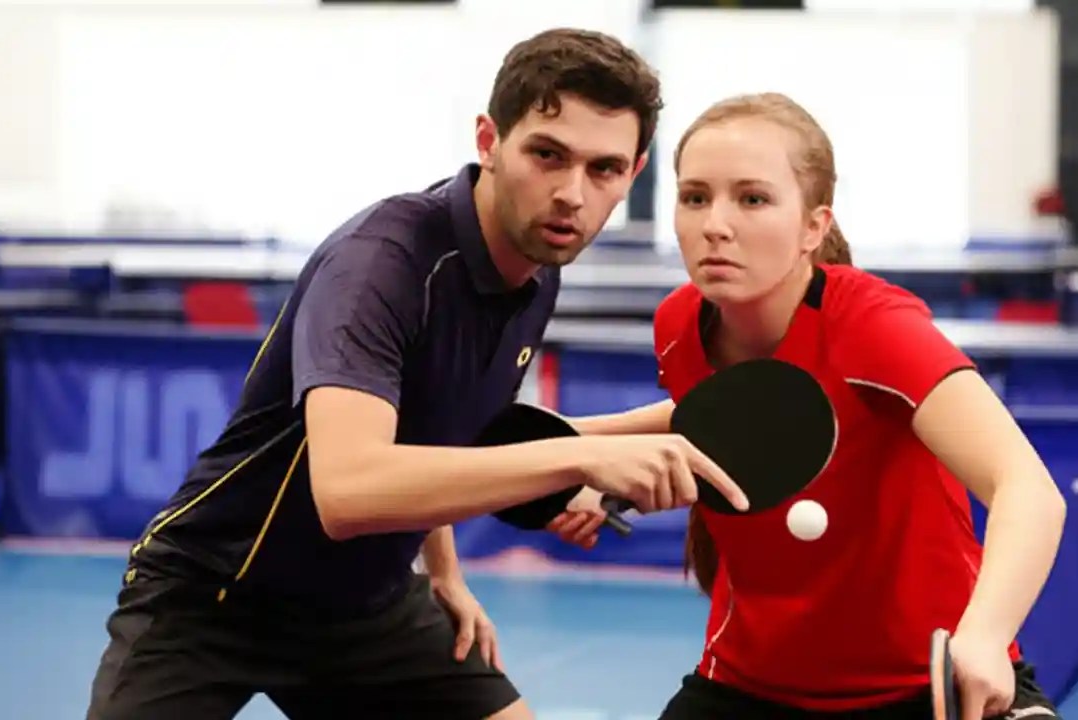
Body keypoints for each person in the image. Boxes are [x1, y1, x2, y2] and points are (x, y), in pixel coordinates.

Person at [85, 28, 747, 720]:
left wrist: (446, 572)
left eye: (603, 169)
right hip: (217, 591)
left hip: (365, 609)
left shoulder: (536, 269)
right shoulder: (383, 266)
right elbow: (349, 491)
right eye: (547, 155)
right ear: (489, 141)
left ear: (633, 174)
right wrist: (580, 458)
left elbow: (440, 430)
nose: (571, 195)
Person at [567, 92, 1069, 720]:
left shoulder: (873, 327)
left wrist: (988, 635)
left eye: (752, 199)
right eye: (695, 197)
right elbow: (720, 415)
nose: (715, 224)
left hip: (924, 685)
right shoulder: (679, 324)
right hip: (749, 687)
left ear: (814, 225)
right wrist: (578, 451)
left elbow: (1028, 488)